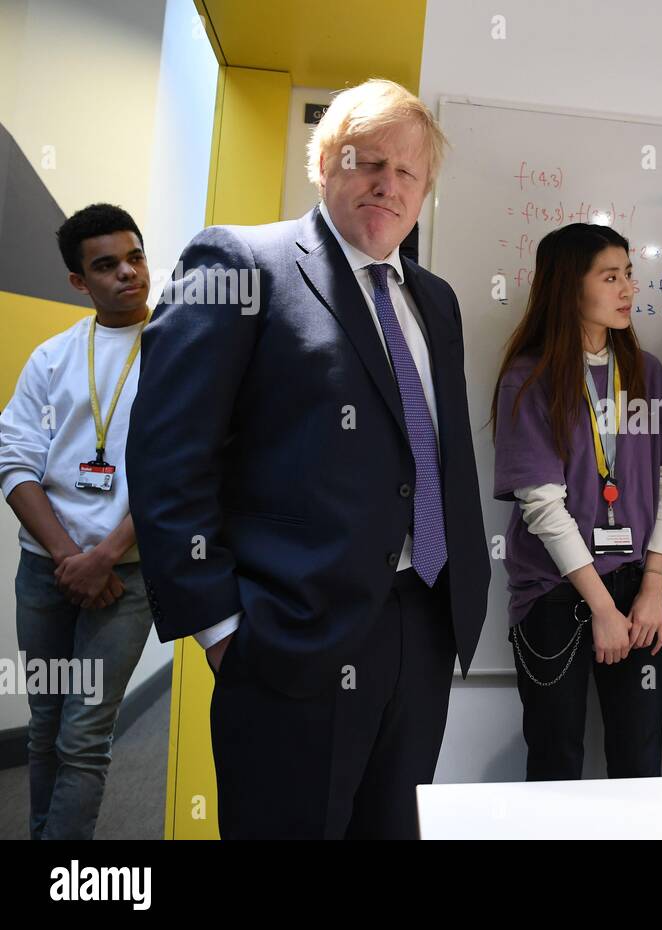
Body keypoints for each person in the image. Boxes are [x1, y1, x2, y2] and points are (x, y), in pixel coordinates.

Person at [126, 79, 490, 838]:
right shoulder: (239, 263)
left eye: (408, 171)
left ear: (424, 193)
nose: (387, 184)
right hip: (290, 636)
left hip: (423, 626)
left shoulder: (438, 301)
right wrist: (220, 628)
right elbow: (169, 458)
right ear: (325, 164)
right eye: (367, 161)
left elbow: (432, 454)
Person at [492, 223, 662, 780]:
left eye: (629, 275)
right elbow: (542, 505)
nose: (628, 289)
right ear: (569, 286)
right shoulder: (530, 378)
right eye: (610, 277)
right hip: (555, 594)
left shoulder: (646, 372)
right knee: (556, 763)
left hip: (637, 590)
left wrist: (653, 587)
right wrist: (600, 609)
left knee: (639, 763)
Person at [0, 203, 154, 839]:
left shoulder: (181, 353)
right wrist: (72, 559)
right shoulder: (53, 357)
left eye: (135, 257)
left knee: (85, 735)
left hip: (129, 578)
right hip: (48, 573)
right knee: (45, 724)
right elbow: (15, 462)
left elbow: (187, 471)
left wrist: (105, 556)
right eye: (107, 265)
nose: (128, 273)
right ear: (78, 281)